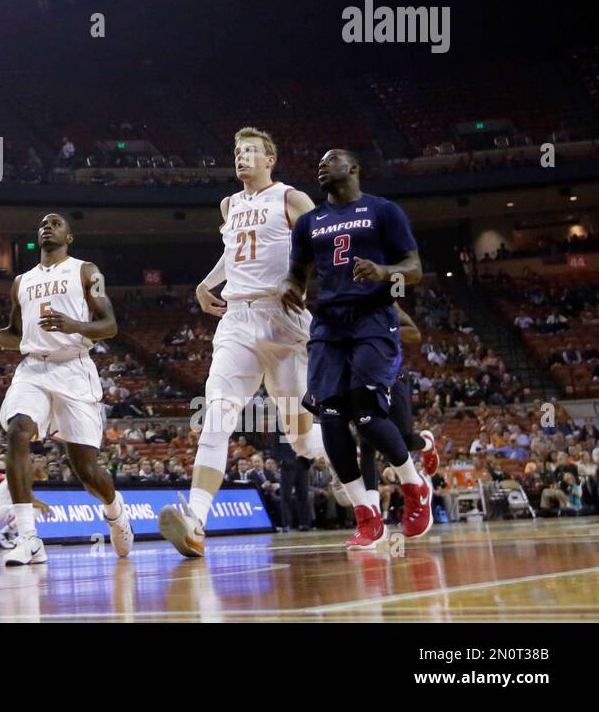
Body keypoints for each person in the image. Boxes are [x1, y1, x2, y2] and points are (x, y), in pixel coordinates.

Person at [159, 127, 327, 558]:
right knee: (217, 410)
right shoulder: (229, 204)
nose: (242, 157)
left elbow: (322, 245)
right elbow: (235, 252)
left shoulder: (292, 198)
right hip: (237, 319)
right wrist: (207, 282)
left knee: (301, 436)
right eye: (237, 151)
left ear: (270, 160)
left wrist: (299, 279)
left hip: (284, 319)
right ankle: (196, 520)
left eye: (250, 151)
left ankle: (351, 480)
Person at [279, 148, 430, 550]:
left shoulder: (383, 211)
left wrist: (384, 271)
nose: (322, 166)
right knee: (329, 415)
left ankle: (414, 486)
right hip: (328, 323)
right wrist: (291, 288)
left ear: (354, 168)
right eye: (319, 163)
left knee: (364, 412)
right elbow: (297, 272)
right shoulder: (309, 222)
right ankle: (366, 513)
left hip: (373, 318)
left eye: (331, 160)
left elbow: (413, 268)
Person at [0, 212, 134, 566]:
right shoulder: (21, 282)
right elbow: (16, 338)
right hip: (33, 368)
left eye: (56, 223)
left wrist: (72, 324)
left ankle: (115, 511)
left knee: (87, 472)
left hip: (73, 368)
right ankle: (29, 538)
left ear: (69, 237)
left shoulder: (86, 271)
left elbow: (109, 326)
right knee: (18, 430)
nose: (47, 226)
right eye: (43, 224)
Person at [357, 306, 440, 515]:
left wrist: (383, 332)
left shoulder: (386, 301)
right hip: (364, 382)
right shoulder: (344, 304)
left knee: (403, 442)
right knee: (366, 444)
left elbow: (414, 334)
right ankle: (372, 510)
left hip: (393, 381)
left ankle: (427, 443)